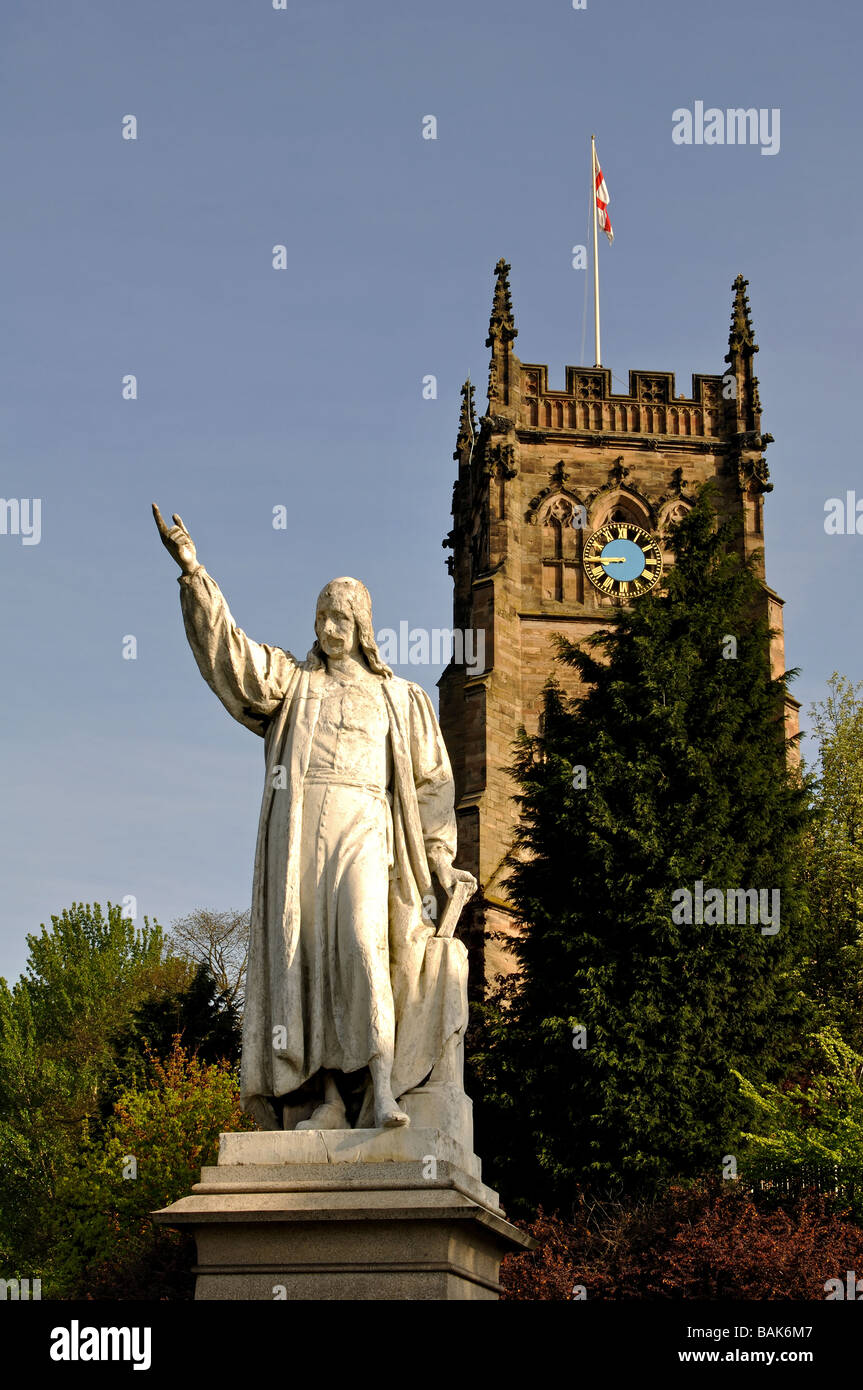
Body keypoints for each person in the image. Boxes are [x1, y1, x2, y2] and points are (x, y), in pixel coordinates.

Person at [153, 505, 475, 1131]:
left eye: (341, 618)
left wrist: (440, 860)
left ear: (363, 626)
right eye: (322, 617)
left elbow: (432, 783)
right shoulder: (294, 683)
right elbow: (232, 660)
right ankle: (325, 1097)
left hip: (367, 827)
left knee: (363, 944)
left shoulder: (398, 697)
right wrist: (194, 573)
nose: (329, 628)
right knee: (305, 957)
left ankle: (380, 1083)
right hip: (299, 834)